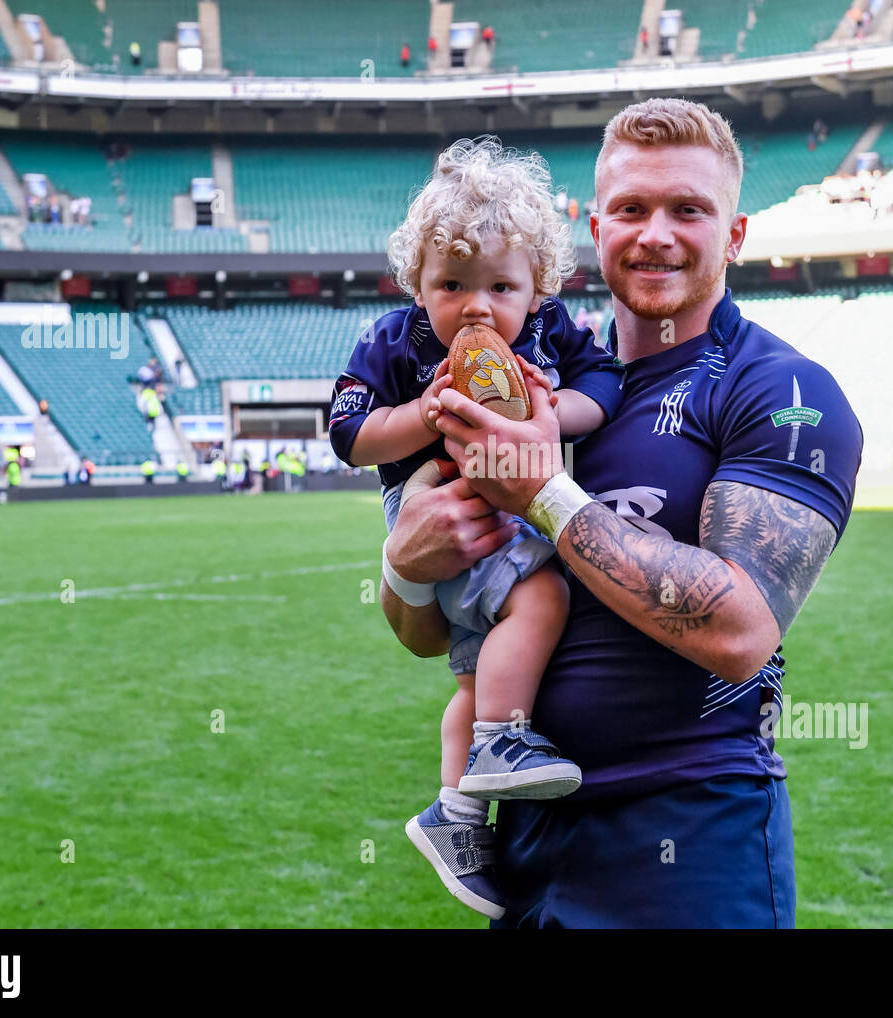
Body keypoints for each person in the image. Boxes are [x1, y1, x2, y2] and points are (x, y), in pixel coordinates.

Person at [381, 98, 863, 928]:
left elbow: (741, 631)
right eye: (633, 210)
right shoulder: (533, 386)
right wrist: (402, 564)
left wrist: (542, 492)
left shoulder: (780, 390)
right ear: (596, 230)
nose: (657, 234)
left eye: (689, 210)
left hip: (687, 835)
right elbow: (430, 633)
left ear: (736, 235)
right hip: (526, 833)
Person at [328, 137, 625, 920]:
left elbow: (604, 384)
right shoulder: (396, 342)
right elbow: (349, 435)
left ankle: (456, 817)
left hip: (508, 498)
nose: (477, 306)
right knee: (546, 599)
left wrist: (550, 411)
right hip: (443, 506)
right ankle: (502, 738)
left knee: (473, 668)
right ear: (416, 284)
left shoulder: (551, 331)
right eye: (450, 284)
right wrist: (416, 416)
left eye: (502, 285)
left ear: (538, 289)